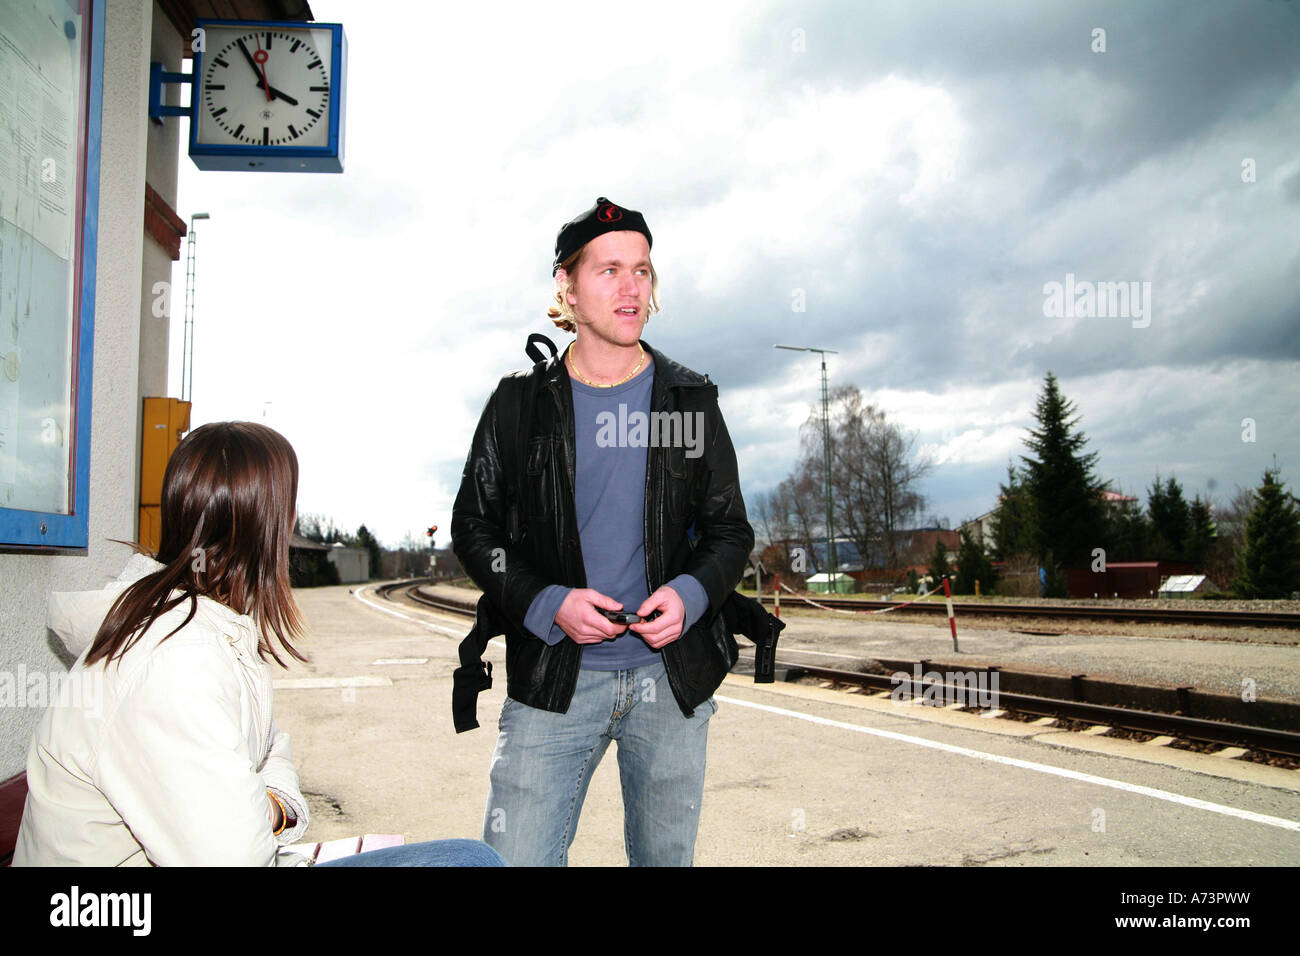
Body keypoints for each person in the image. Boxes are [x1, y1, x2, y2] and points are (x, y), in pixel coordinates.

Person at [14, 421, 503, 867]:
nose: (291, 520)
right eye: (287, 505)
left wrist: (262, 804)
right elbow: (235, 857)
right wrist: (267, 806)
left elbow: (271, 750)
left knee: (469, 859)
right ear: (264, 522)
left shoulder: (205, 629)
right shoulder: (172, 661)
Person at [451, 196, 753, 866]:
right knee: (515, 859)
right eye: (610, 269)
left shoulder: (688, 401)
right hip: (556, 680)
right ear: (567, 286)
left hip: (671, 683)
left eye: (642, 271)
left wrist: (692, 595)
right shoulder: (520, 406)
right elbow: (474, 527)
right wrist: (547, 601)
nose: (631, 287)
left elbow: (731, 531)